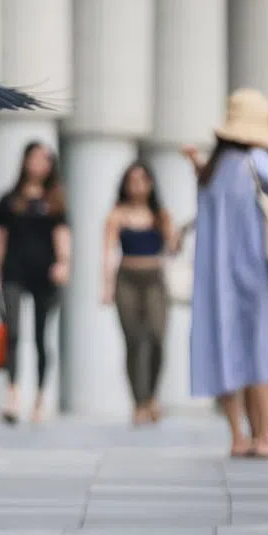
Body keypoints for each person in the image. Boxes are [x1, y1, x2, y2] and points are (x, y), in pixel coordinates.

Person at [189, 88, 268, 460]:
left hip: (217, 276)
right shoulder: (260, 162)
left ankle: (237, 436)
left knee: (227, 349)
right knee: (266, 352)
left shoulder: (212, 170)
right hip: (261, 271)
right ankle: (264, 437)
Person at [0, 141, 71, 425]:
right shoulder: (10, 199)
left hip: (44, 273)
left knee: (40, 337)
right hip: (14, 271)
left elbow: (62, 234)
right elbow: (0, 239)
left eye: (45, 159)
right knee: (12, 333)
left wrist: (63, 263)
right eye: (34, 158)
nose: (39, 164)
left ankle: (39, 398)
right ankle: (12, 394)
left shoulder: (56, 200)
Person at [101, 162, 177, 426]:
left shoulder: (159, 215)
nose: (137, 185)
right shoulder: (117, 215)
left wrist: (172, 231)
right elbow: (109, 251)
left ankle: (152, 396)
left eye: (142, 179)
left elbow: (173, 247)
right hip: (127, 278)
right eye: (132, 180)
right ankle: (139, 402)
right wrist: (107, 286)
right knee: (133, 340)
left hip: (154, 278)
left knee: (156, 335)